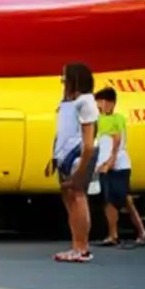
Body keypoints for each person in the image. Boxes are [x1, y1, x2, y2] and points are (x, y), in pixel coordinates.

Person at [47, 62, 99, 263]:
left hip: (77, 156)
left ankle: (82, 246)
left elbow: (87, 142)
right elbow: (62, 132)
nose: (62, 80)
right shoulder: (67, 103)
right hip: (64, 155)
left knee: (78, 196)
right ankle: (76, 244)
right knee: (69, 199)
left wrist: (81, 169)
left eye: (65, 77)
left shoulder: (85, 103)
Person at [93, 87, 145, 247]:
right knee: (112, 201)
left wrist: (110, 161)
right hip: (106, 165)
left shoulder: (115, 119)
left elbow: (116, 141)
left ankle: (138, 231)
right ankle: (114, 234)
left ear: (111, 103)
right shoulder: (101, 119)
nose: (99, 106)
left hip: (117, 166)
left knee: (121, 200)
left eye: (102, 103)